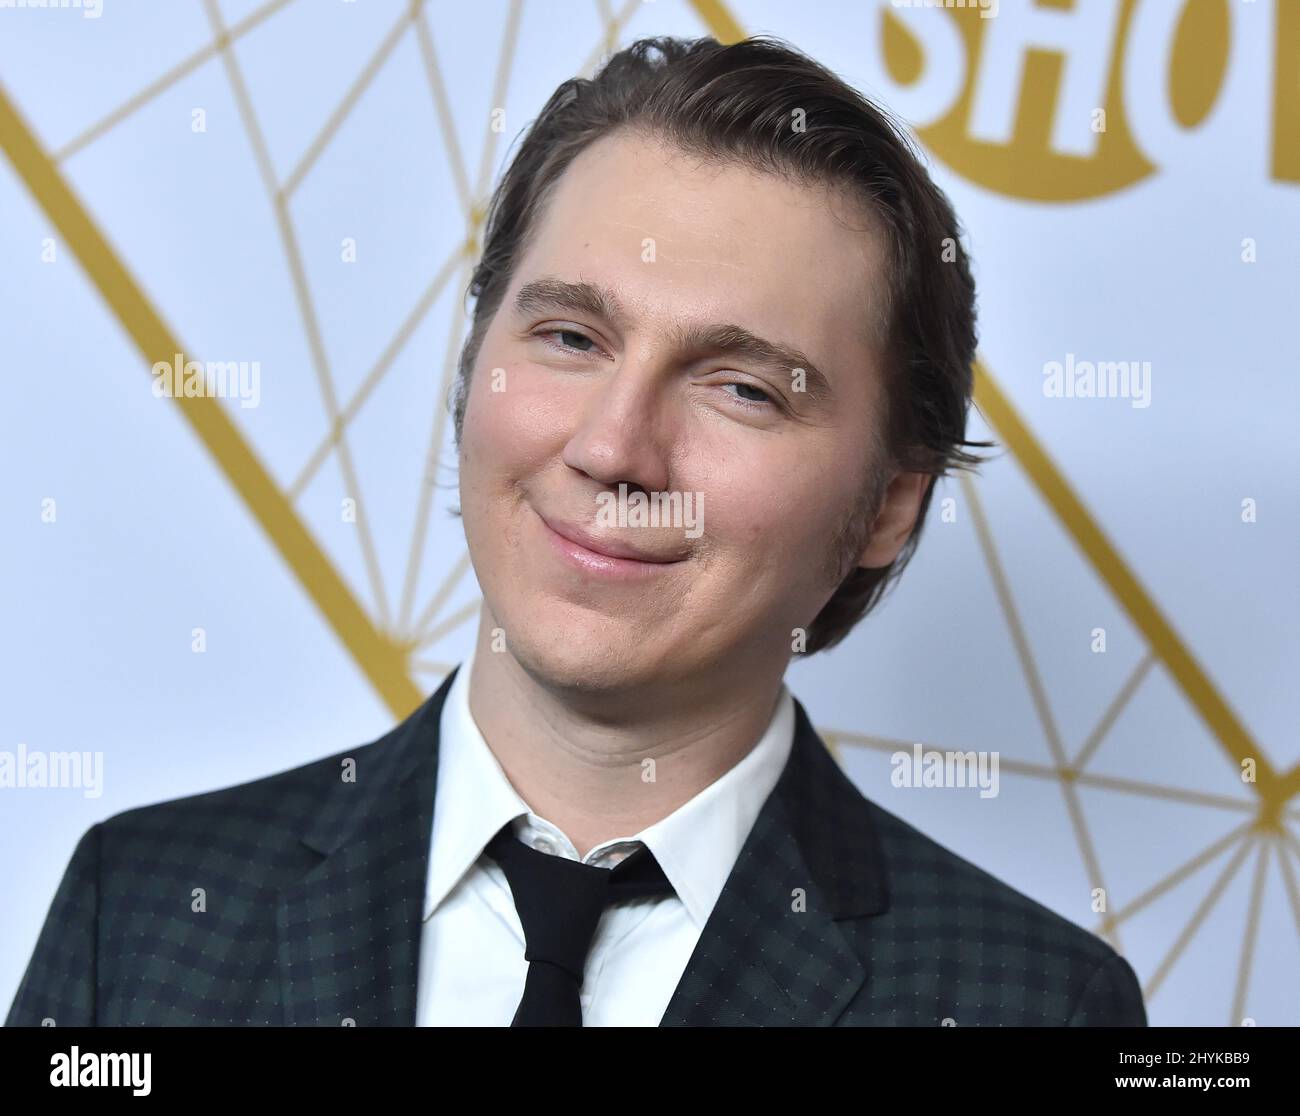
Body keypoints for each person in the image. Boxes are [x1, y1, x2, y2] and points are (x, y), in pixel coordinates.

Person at [6, 34, 1145, 1027]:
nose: (614, 447)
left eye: (742, 388)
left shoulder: (1034, 1006)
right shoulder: (142, 913)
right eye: (568, 338)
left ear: (889, 507)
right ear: (471, 370)